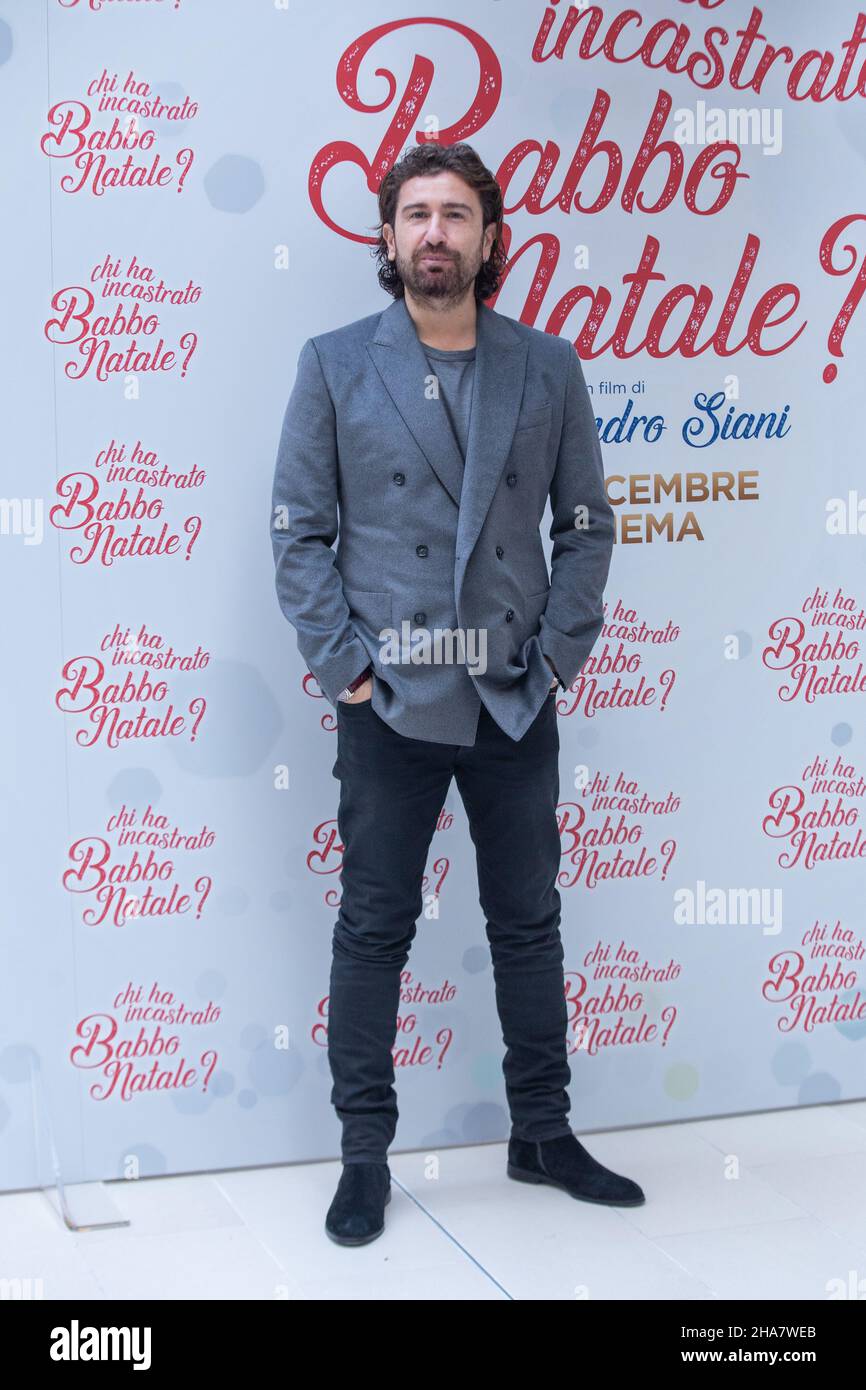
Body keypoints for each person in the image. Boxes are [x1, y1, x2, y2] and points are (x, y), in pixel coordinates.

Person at [270, 141, 644, 1247]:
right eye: (415, 214)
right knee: (374, 926)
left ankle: (541, 1133)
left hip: (512, 692)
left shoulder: (545, 365)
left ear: (488, 238)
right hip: (388, 699)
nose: (434, 233)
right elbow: (298, 533)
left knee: (527, 924)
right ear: (386, 238)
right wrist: (346, 667)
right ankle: (363, 1155)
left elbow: (584, 526)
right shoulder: (335, 363)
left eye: (455, 215)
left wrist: (559, 654)